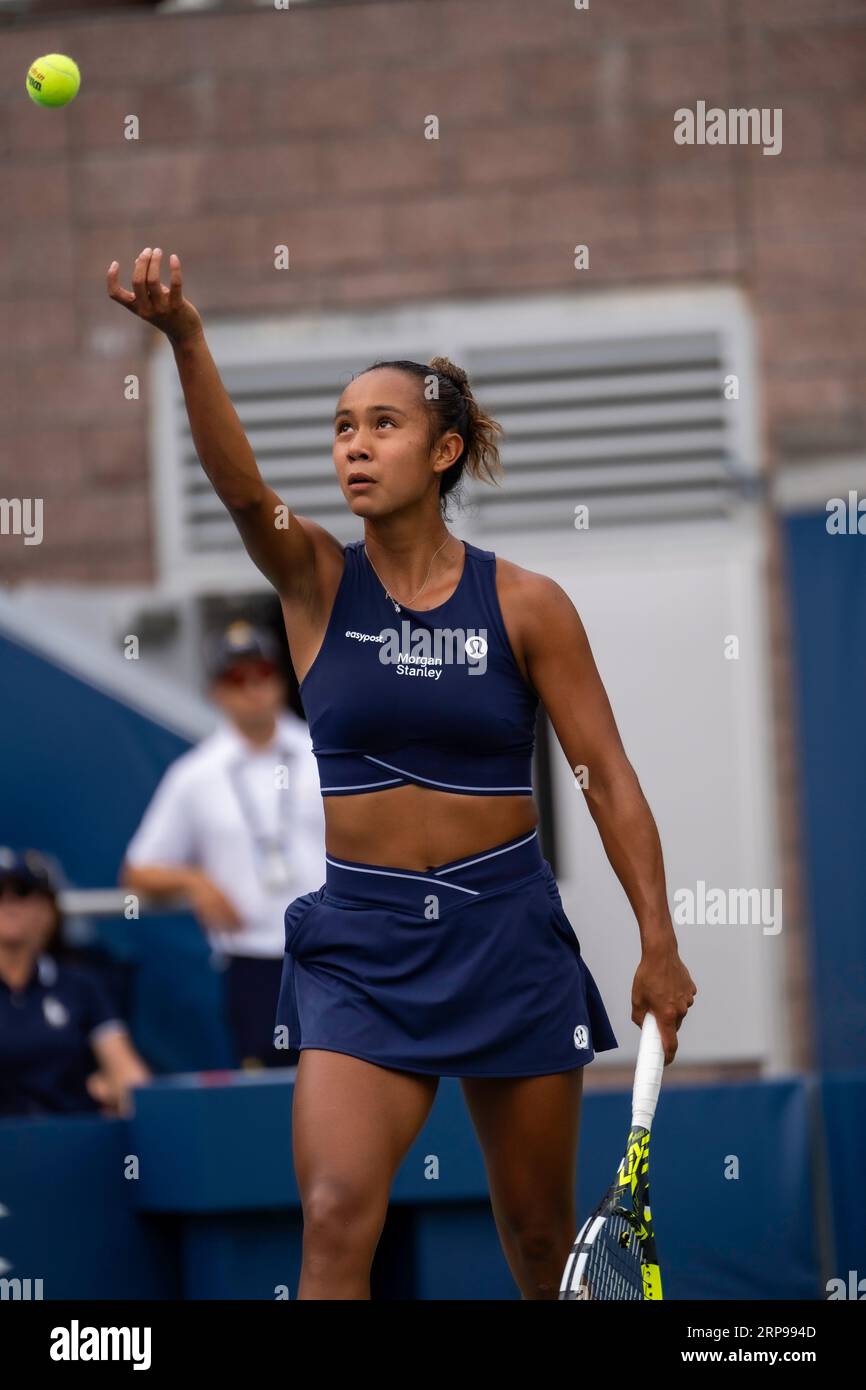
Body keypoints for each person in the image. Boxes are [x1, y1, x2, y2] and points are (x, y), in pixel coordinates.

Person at [107, 247, 697, 1301]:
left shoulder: (526, 604)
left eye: (382, 424)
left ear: (444, 450)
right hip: (361, 951)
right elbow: (243, 493)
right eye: (340, 427)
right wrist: (187, 339)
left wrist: (656, 939)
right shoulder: (312, 581)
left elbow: (603, 774)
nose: (354, 445)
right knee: (335, 1212)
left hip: (507, 935)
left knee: (532, 1233)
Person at [121, 620, 326, 1069]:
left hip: (332, 951)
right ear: (216, 691)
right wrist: (196, 883)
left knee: (346, 1083)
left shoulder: (323, 754)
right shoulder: (196, 775)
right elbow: (137, 869)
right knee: (265, 1097)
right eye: (237, 678)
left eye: (263, 673)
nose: (253, 688)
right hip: (252, 960)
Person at [0, 848, 151, 1119]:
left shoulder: (80, 986)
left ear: (46, 910)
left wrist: (123, 1093)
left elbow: (126, 1072)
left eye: (22, 892)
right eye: (0, 894)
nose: (9, 903)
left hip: (68, 1140)